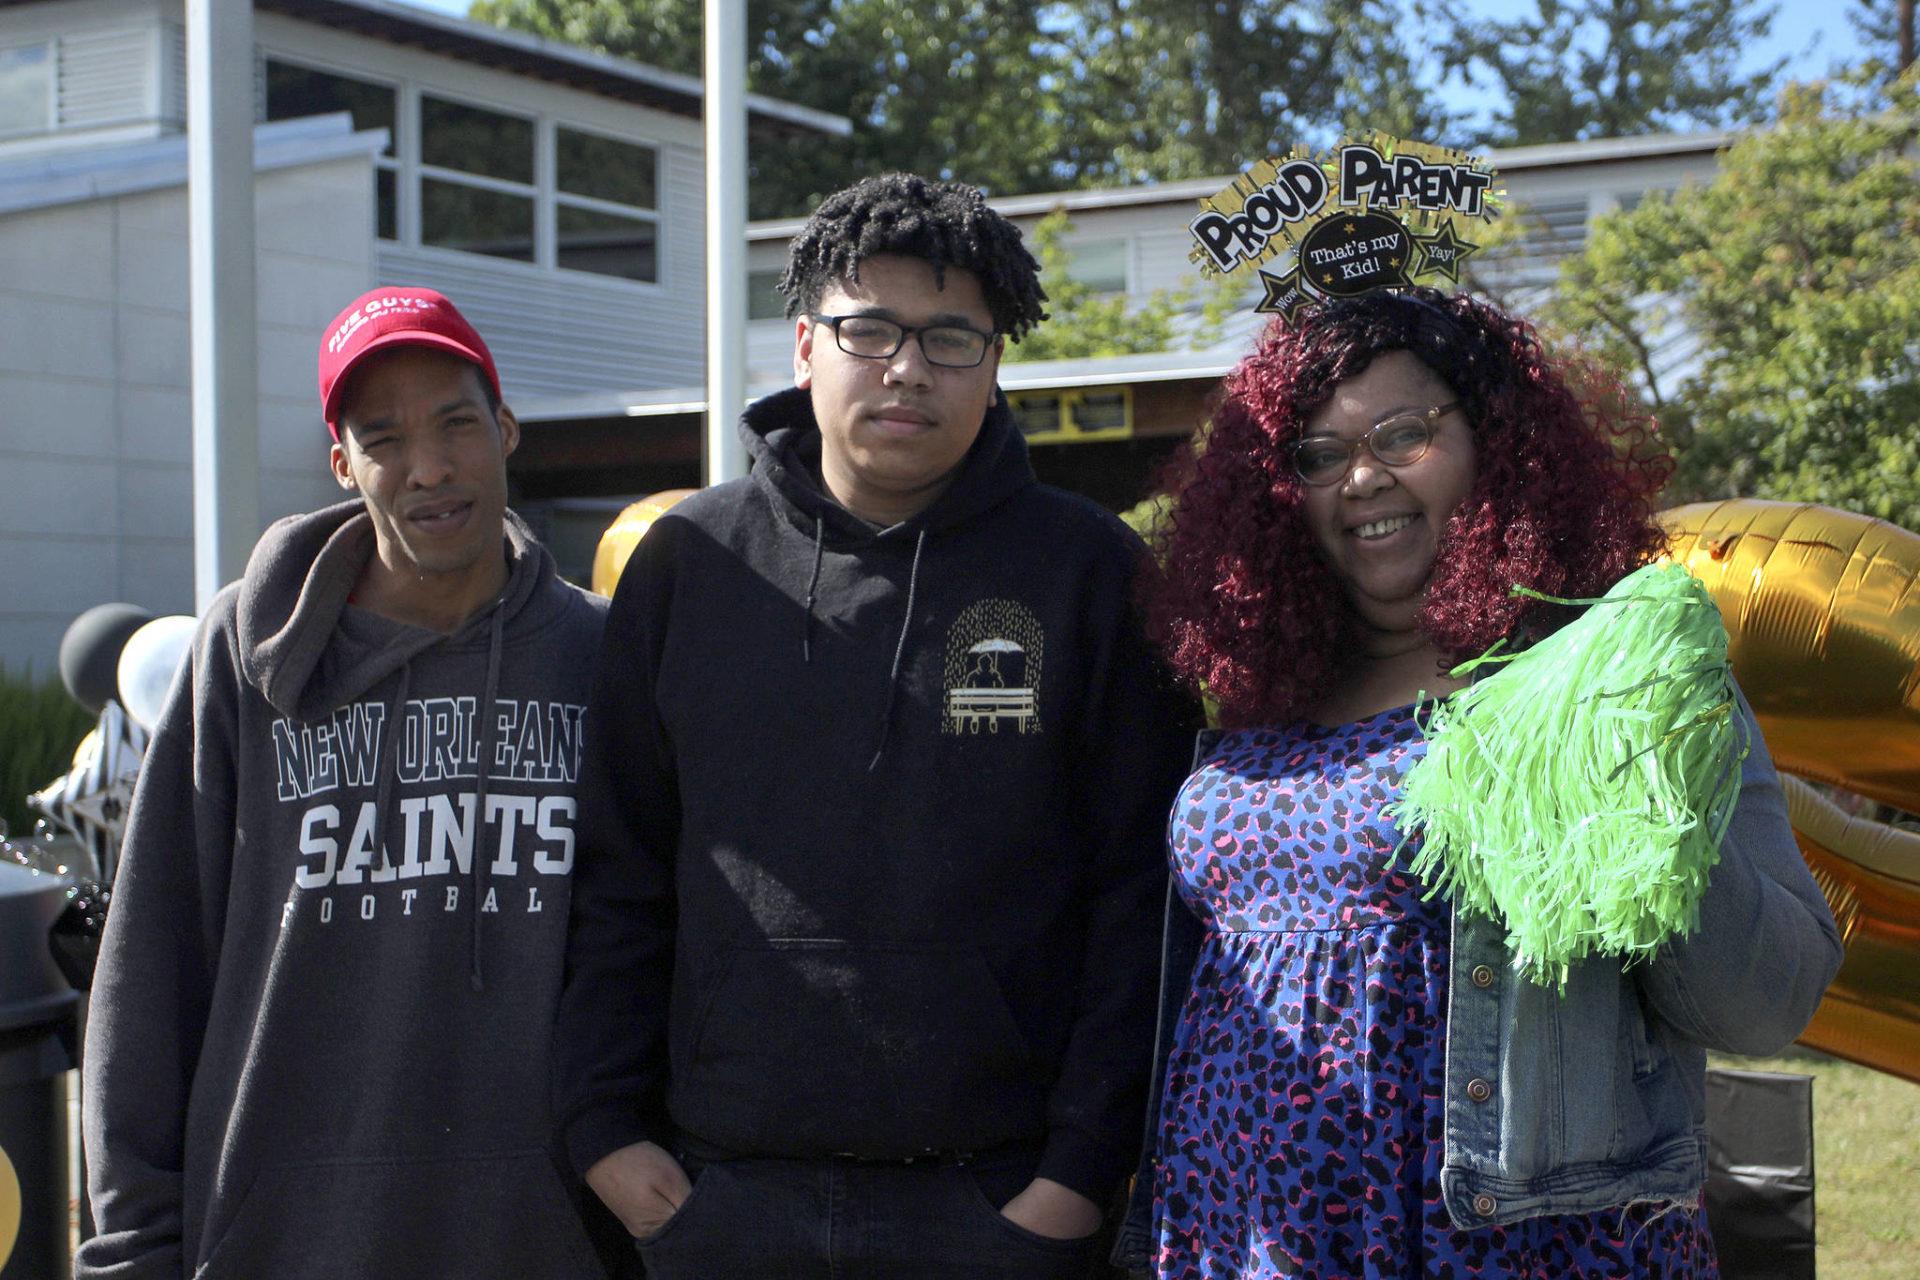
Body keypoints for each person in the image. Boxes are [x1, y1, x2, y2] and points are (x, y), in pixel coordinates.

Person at [554, 172, 1197, 1278]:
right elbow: (618, 871)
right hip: (719, 1202)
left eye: (952, 337)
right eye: (871, 329)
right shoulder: (687, 568)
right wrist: (605, 1130)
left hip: (997, 1208)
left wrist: (1078, 1174)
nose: (907, 366)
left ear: (996, 364)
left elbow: (1140, 891)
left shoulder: (1090, 576)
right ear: (805, 343)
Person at [1129, 287, 1843, 1279]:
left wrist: (1641, 786)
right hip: (1248, 1227)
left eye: (1404, 432)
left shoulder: (1611, 675)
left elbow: (1769, 1001)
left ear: (1498, 443)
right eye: (1320, 454)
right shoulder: (1261, 694)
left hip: (1517, 1239)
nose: (1362, 478)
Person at [78, 287, 614, 1278]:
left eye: (457, 422)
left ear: (505, 427)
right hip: (278, 1242)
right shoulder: (246, 659)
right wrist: (130, 1252)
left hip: (537, 1243)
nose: (431, 466)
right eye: (385, 437)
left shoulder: (597, 657)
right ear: (343, 464)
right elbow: (153, 964)